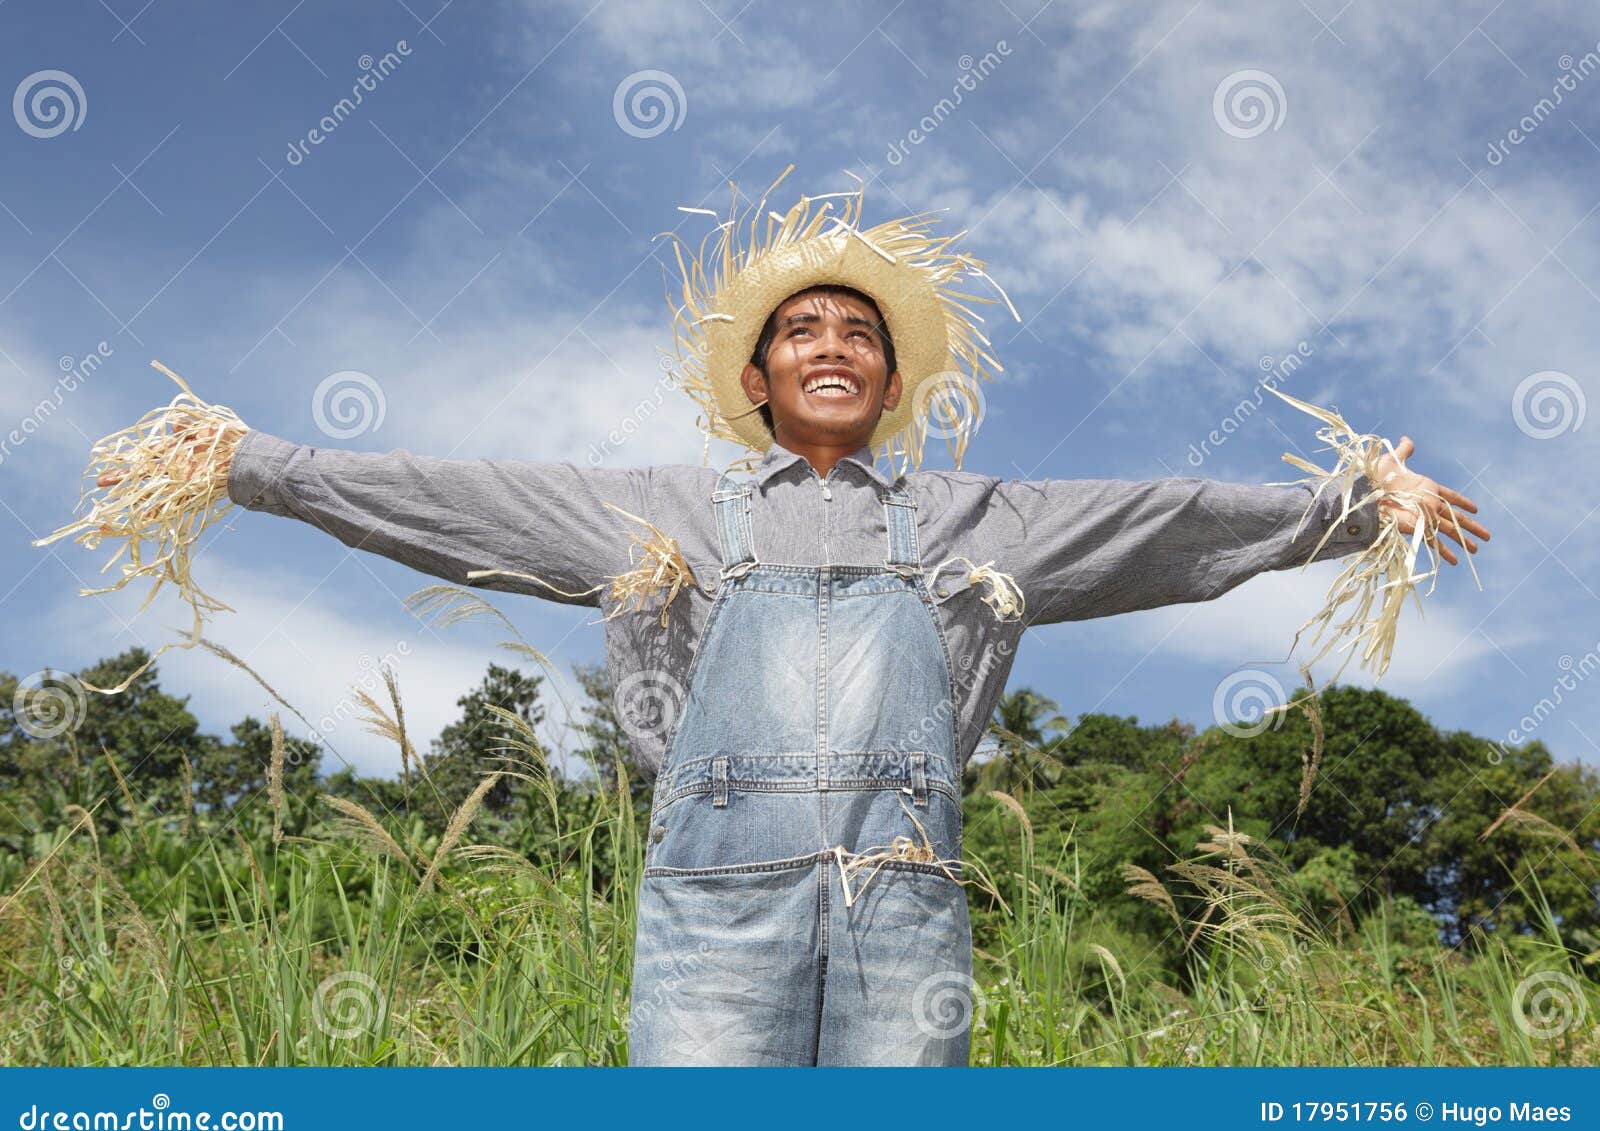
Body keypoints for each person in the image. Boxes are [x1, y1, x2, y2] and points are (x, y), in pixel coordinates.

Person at [89, 172, 1488, 1066]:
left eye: (859, 335)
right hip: (713, 911)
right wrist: (254, 462)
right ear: (757, 382)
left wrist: (1358, 504)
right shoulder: (661, 513)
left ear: (890, 386)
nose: (834, 346)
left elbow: (1167, 522)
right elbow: (454, 499)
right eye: (804, 333)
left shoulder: (977, 520)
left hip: (905, 908)